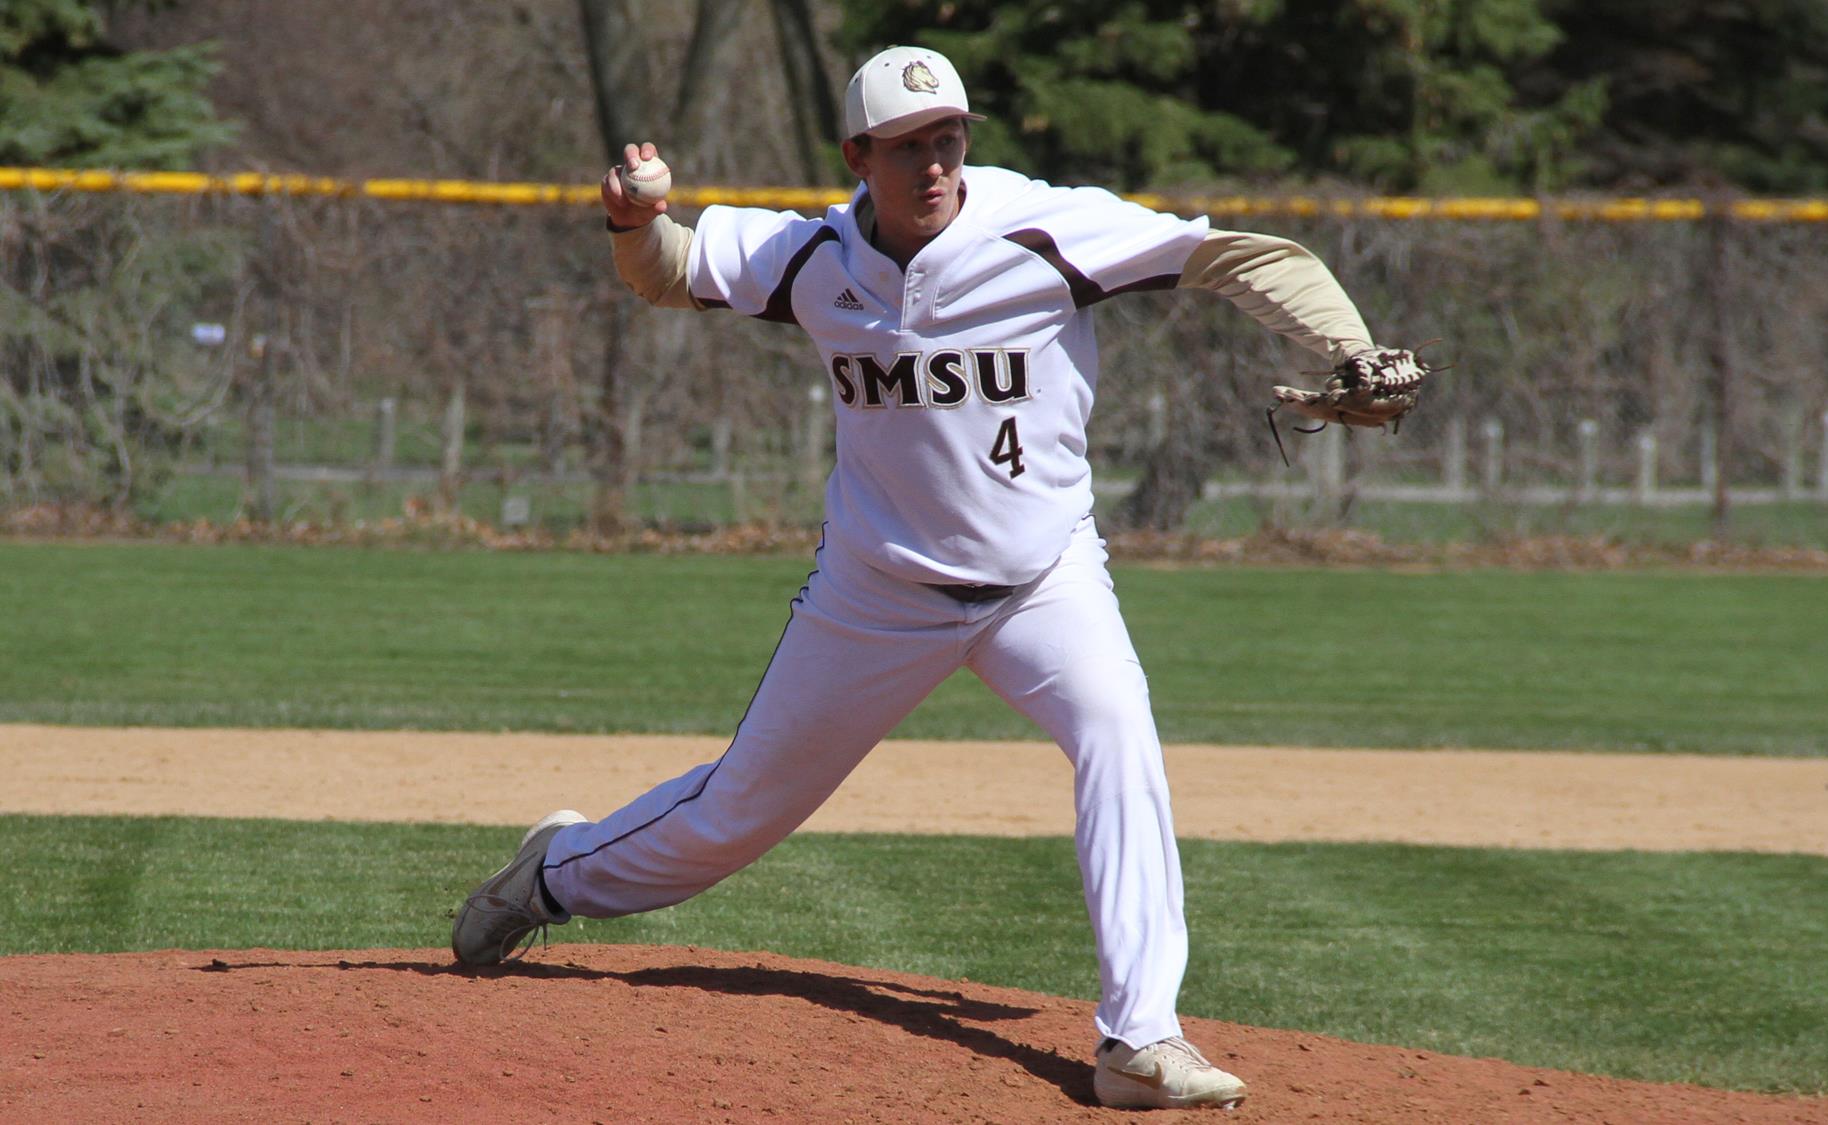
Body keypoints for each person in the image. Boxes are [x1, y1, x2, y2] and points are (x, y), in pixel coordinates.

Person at [455, 44, 1402, 1112]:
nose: (934, 163)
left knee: (1118, 737)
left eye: (947, 139)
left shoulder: (1042, 227)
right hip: (876, 594)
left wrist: (1347, 344)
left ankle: (1138, 1040)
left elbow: (1237, 254)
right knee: (733, 817)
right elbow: (671, 272)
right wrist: (633, 219)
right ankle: (552, 874)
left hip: (1042, 580)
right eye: (907, 147)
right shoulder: (810, 252)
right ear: (859, 155)